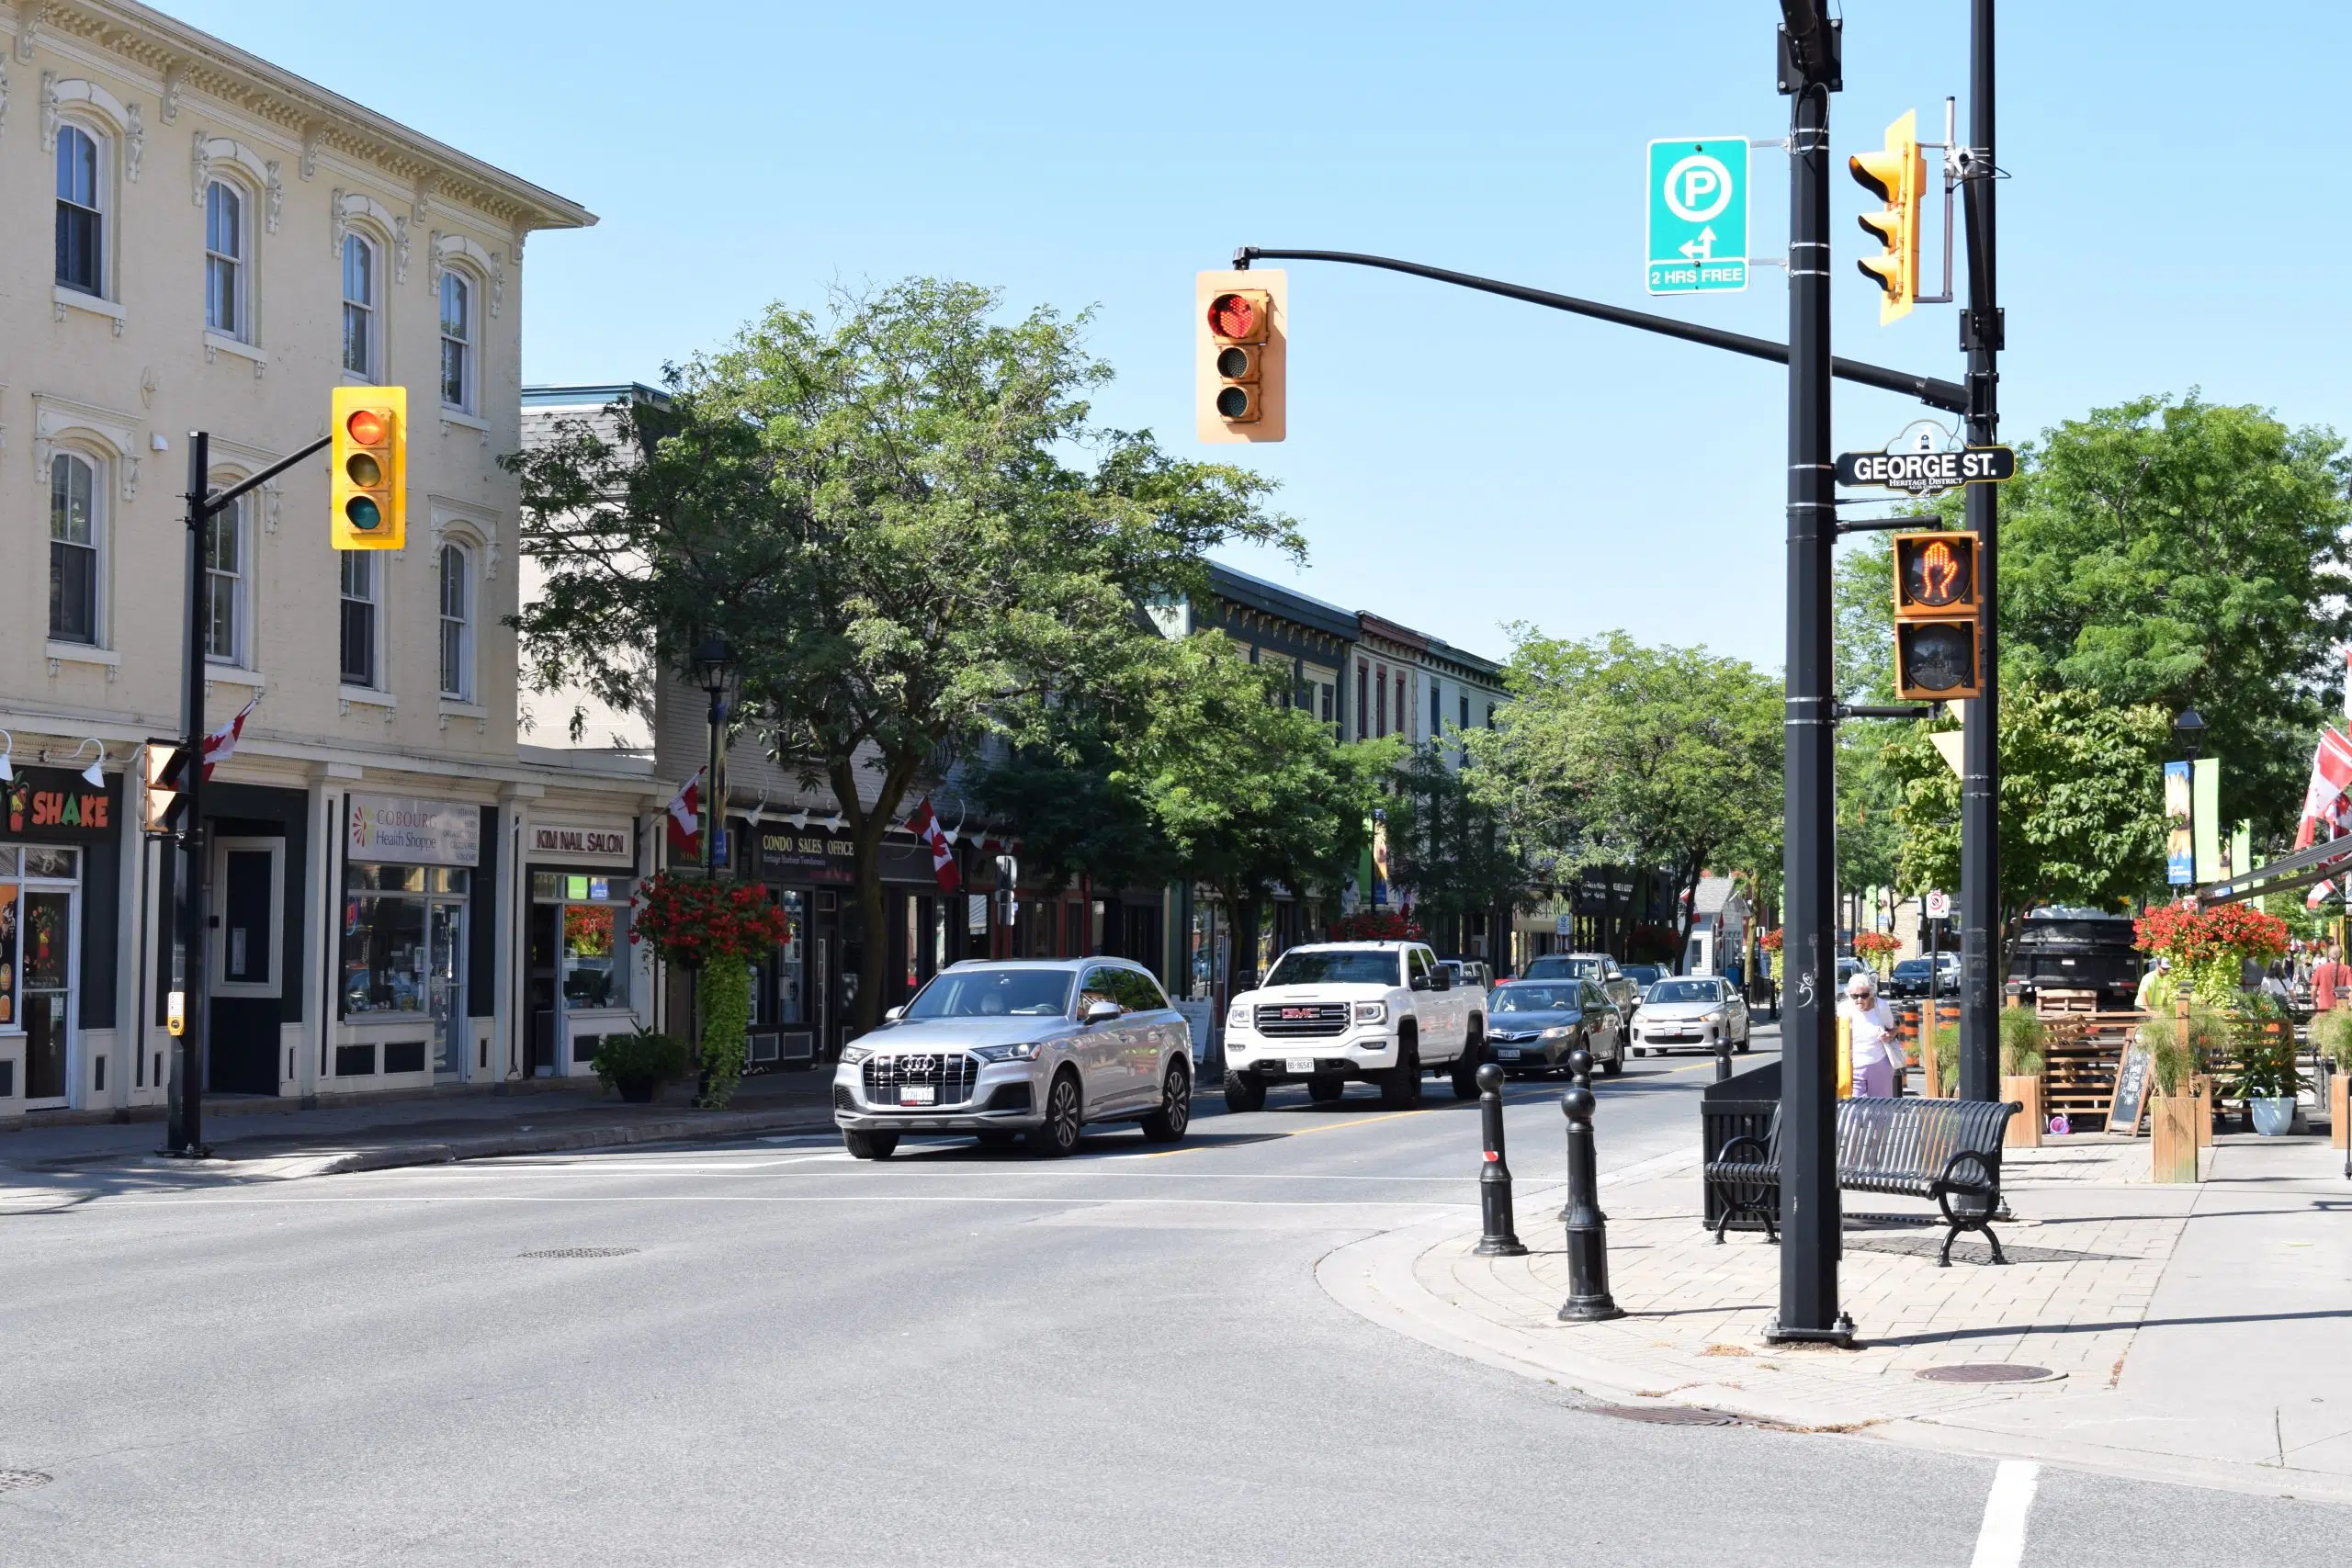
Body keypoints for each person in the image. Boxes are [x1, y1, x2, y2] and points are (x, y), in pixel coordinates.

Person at [1839, 969, 1898, 1099]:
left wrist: (1889, 1036)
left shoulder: (1881, 1006)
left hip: (1879, 1064)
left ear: (1871, 993)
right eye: (1855, 996)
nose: (1859, 999)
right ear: (1849, 994)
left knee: (1880, 1111)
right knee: (1850, 1111)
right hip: (1851, 1067)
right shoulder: (1843, 1009)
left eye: (1864, 995)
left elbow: (1893, 1028)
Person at [2313, 945, 2352, 1013]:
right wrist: (2349, 1003)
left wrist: (2314, 1003)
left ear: (2328, 954)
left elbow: (2313, 989)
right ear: (2341, 955)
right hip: (2342, 1009)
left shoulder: (2320, 969)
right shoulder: (2347, 969)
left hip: (2323, 1008)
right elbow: (2350, 989)